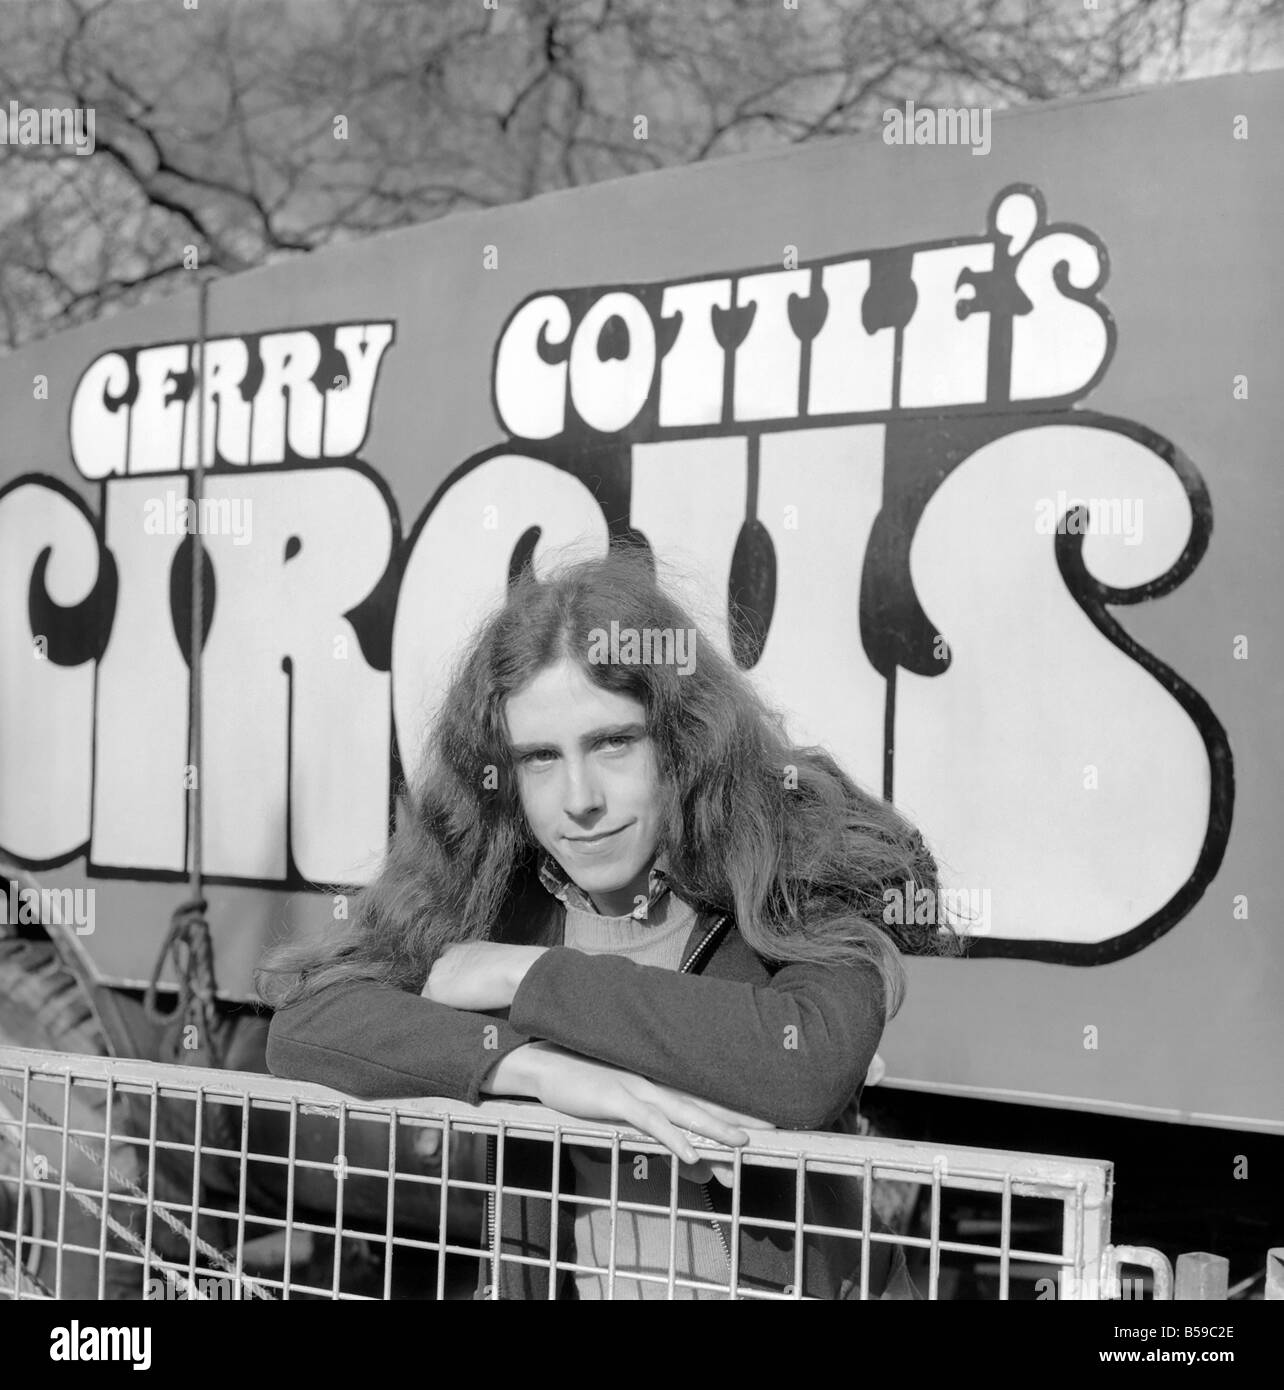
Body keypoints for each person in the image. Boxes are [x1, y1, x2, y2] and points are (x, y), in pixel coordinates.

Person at [258, 545, 960, 1299]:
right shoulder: (496, 888)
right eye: (538, 758)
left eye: (613, 742)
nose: (579, 798)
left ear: (682, 739)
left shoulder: (789, 858)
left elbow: (807, 1064)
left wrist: (520, 973)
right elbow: (308, 1021)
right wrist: (536, 1068)